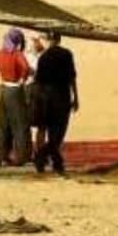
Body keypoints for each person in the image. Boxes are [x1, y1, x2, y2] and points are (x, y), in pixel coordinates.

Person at [0, 28, 30, 165]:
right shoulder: (16, 54)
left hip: (2, 90)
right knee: (20, 124)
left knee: (2, 125)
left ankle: (1, 156)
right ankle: (22, 157)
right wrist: (22, 80)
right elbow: (25, 68)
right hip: (15, 90)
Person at [32, 31, 78, 175]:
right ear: (59, 39)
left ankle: (49, 160)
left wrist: (37, 100)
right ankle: (48, 160)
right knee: (58, 132)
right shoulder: (66, 54)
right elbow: (72, 78)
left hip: (45, 97)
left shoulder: (43, 57)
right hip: (61, 95)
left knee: (49, 130)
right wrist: (76, 97)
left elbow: (37, 81)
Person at [24, 33, 46, 154]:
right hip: (31, 89)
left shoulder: (44, 55)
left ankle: (39, 151)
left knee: (42, 124)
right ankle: (28, 151)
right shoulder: (26, 56)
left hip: (39, 89)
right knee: (27, 122)